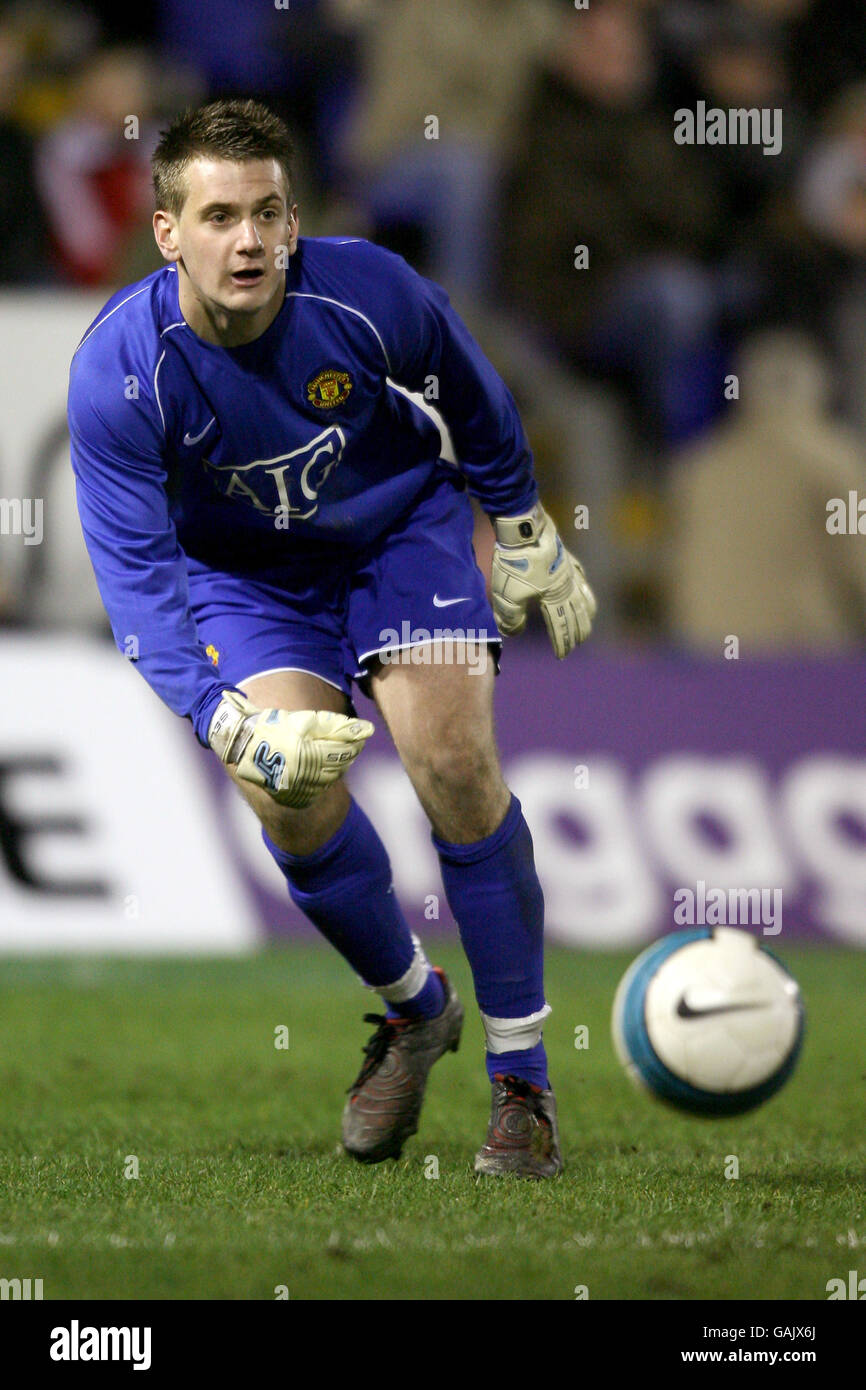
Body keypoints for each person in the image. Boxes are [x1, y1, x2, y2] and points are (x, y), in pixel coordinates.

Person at [67, 99, 595, 1178]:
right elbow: (136, 578)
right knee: (283, 791)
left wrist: (525, 521)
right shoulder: (120, 373)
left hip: (398, 531)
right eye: (217, 216)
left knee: (450, 762)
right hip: (246, 578)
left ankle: (522, 1085)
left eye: (266, 213)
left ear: (294, 220)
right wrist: (217, 718)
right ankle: (413, 1008)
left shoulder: (367, 291)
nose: (247, 239)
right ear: (168, 232)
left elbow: (474, 392)